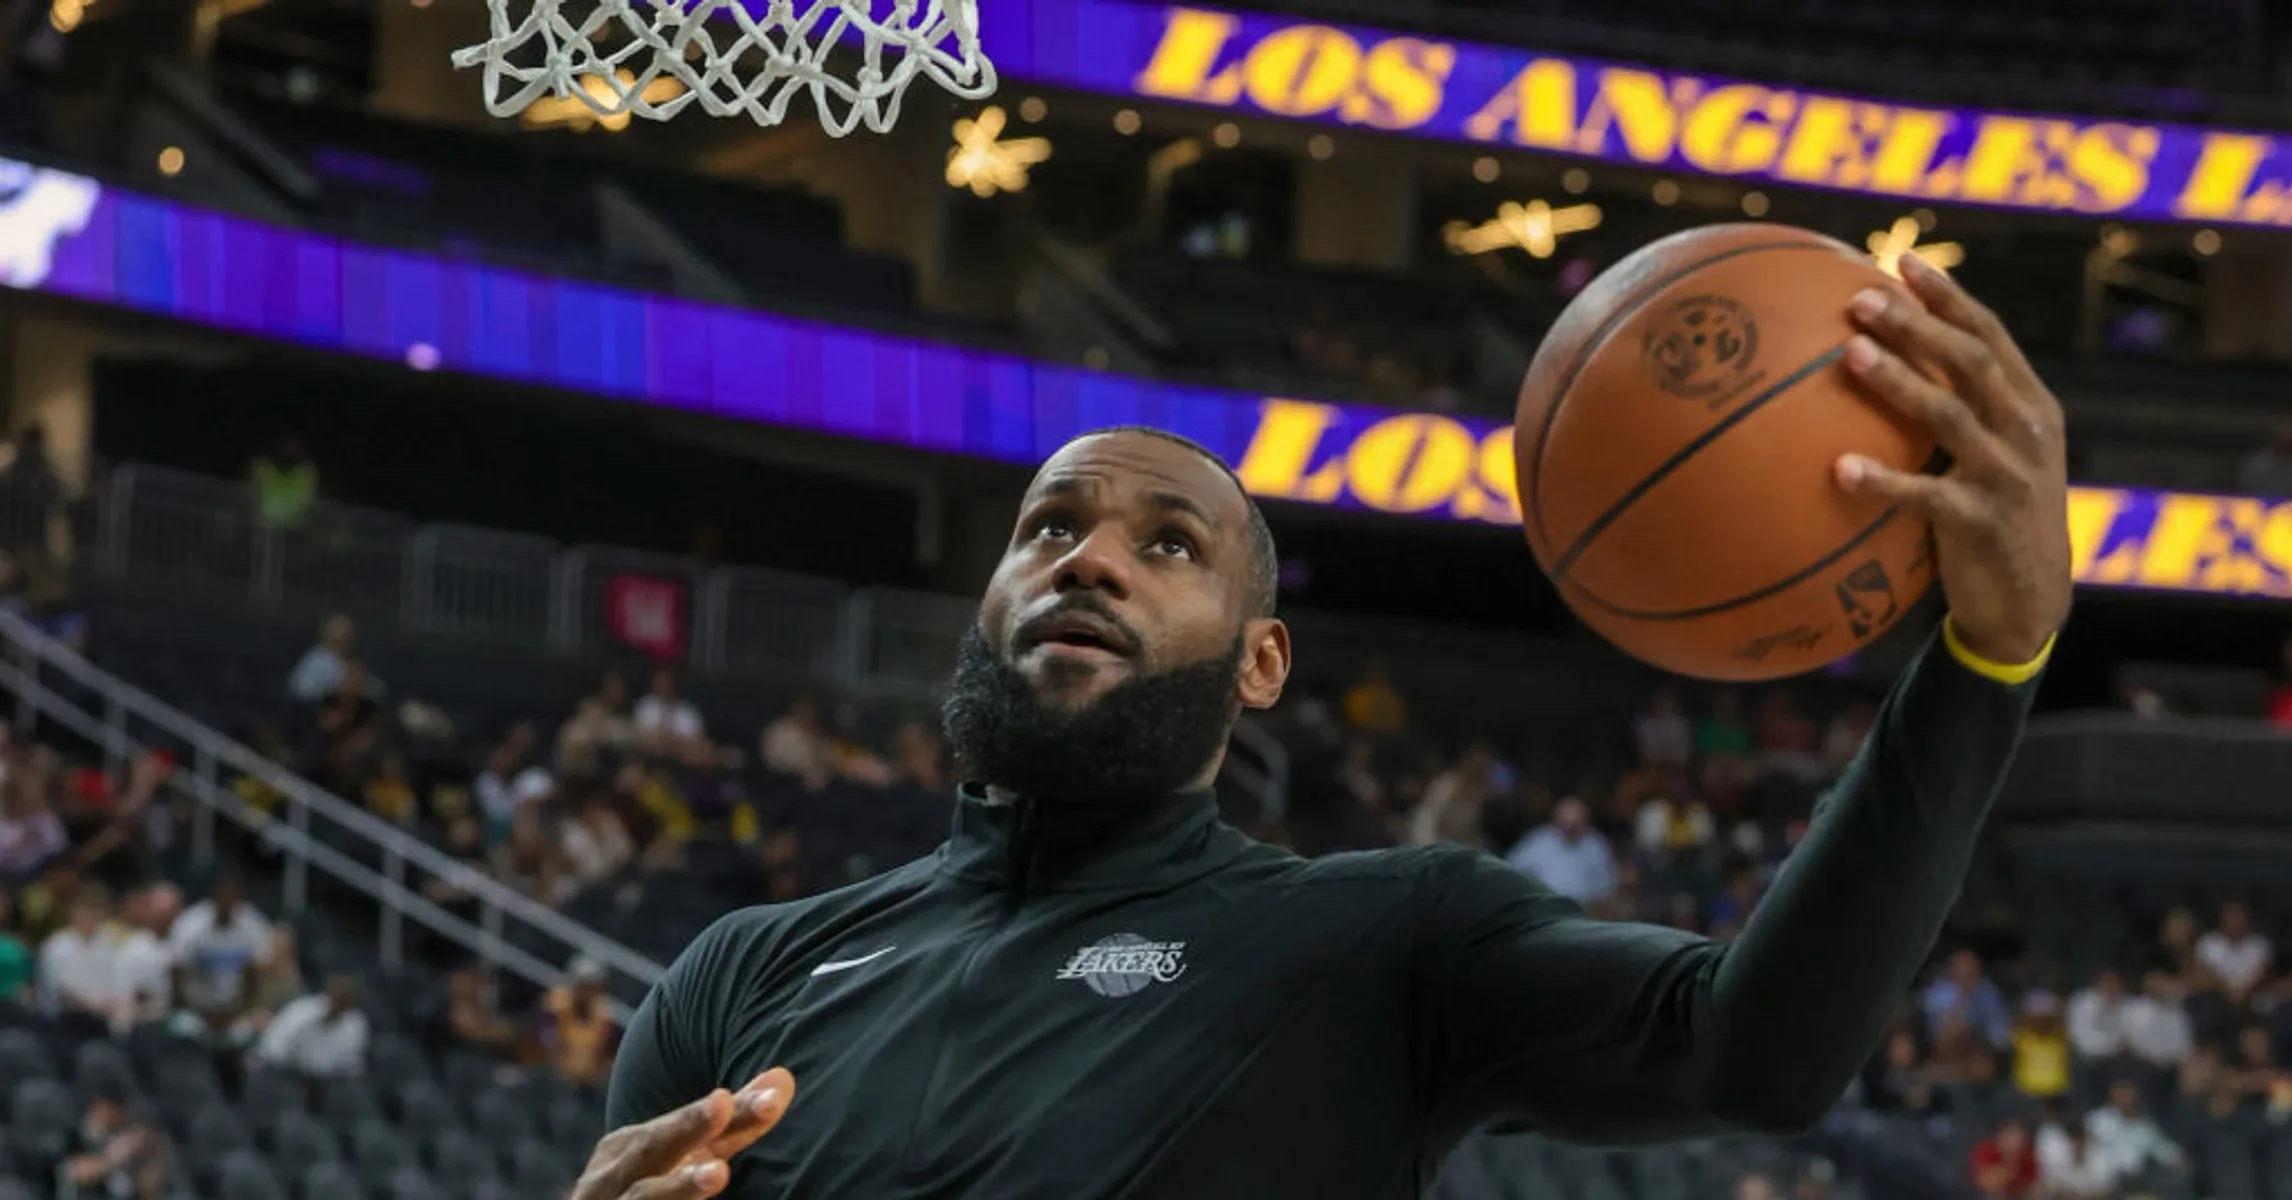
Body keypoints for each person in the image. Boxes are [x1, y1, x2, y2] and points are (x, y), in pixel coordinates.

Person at [586, 260, 2072, 1200]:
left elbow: (1758, 1054)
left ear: (1262, 664)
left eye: (1169, 545)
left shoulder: (1381, 943)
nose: (1085, 560)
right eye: (1047, 527)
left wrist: (1986, 665)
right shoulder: (742, 976)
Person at [253, 974, 368, 1078]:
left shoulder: (355, 1025)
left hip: (328, 1082)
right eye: (337, 999)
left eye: (344, 1002)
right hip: (286, 1074)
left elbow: (352, 1066)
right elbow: (273, 1050)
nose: (338, 1006)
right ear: (329, 994)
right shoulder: (302, 1012)